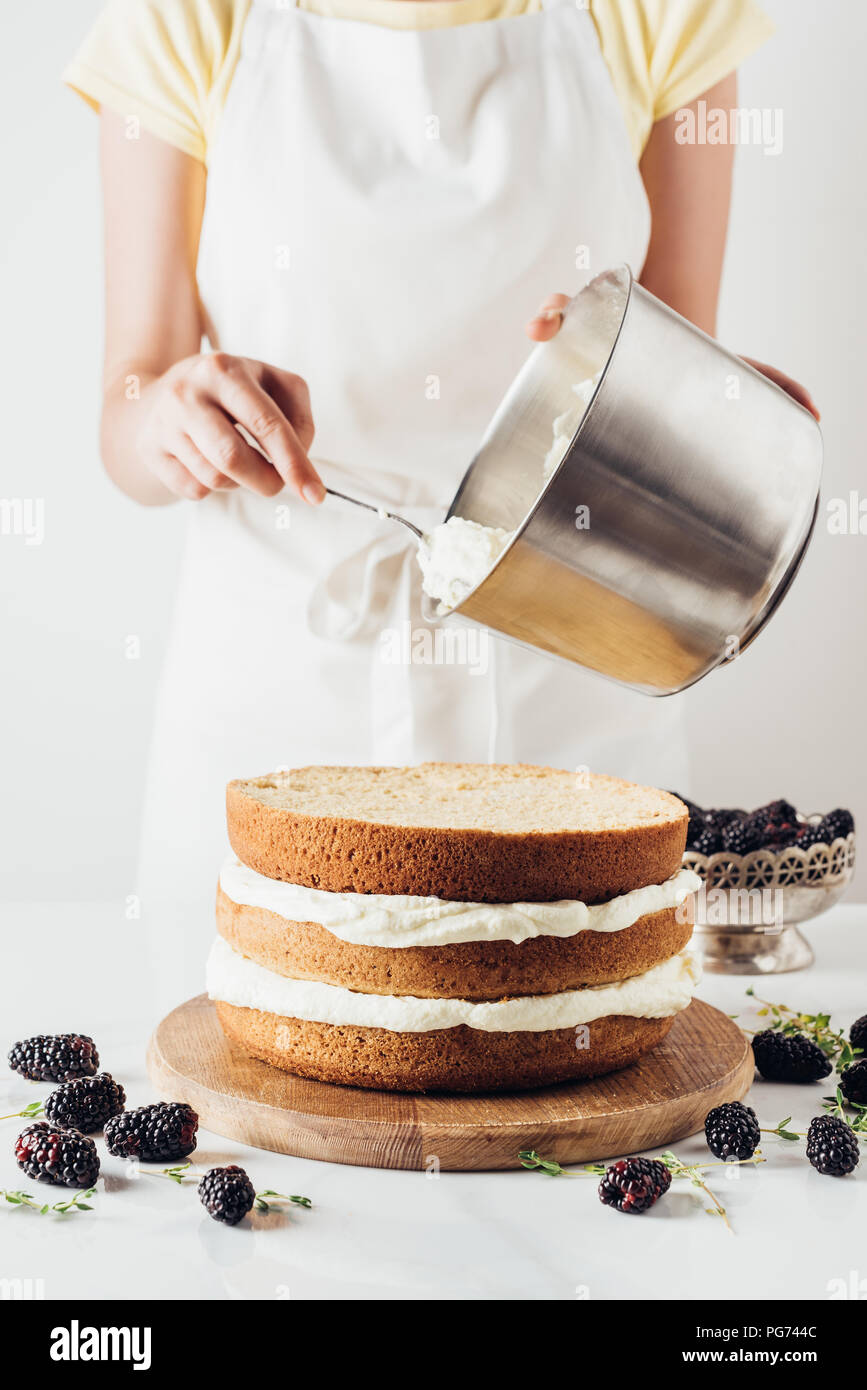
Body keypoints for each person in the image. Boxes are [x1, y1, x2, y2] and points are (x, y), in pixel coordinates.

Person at [65, 0, 816, 1007]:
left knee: (577, 1038)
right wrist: (166, 415)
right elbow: (128, 408)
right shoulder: (183, 18)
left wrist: (709, 401)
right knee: (257, 1070)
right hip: (275, 703)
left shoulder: (663, 13)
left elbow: (677, 353)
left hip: (567, 700)